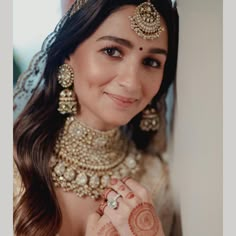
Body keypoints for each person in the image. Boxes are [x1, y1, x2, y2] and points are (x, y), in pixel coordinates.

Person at [13, 0, 179, 235]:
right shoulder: (14, 164)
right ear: (68, 54)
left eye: (151, 62)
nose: (131, 83)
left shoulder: (157, 181)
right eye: (112, 51)